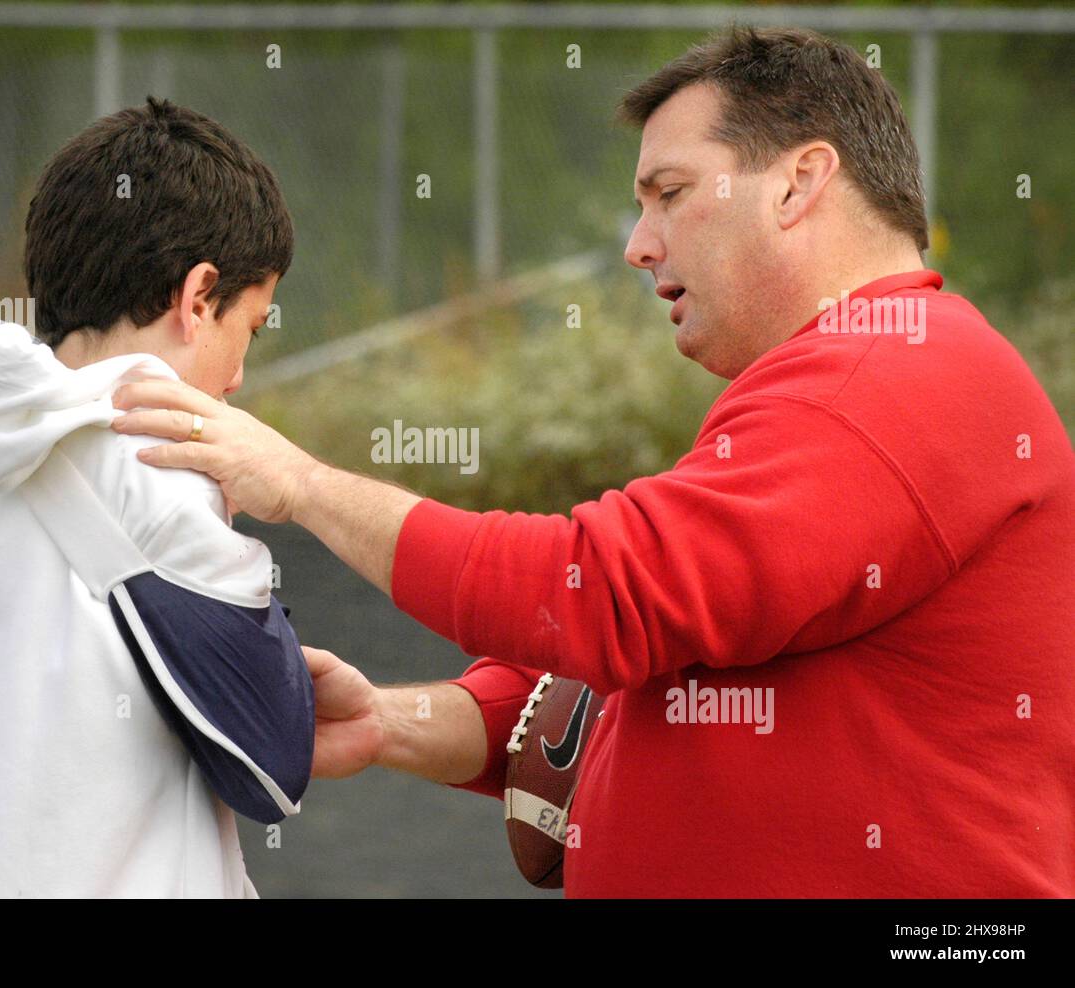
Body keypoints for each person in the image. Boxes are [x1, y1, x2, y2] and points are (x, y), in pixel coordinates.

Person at [109, 29, 1075, 897]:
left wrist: (305, 485)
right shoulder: (861, 371)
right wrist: (397, 722)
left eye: (671, 194)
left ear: (798, 182)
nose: (638, 244)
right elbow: (623, 682)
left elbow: (604, 595)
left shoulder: (893, 366)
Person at [0, 98, 312, 897]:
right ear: (198, 296)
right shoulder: (160, 461)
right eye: (252, 323)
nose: (239, 377)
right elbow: (275, 766)